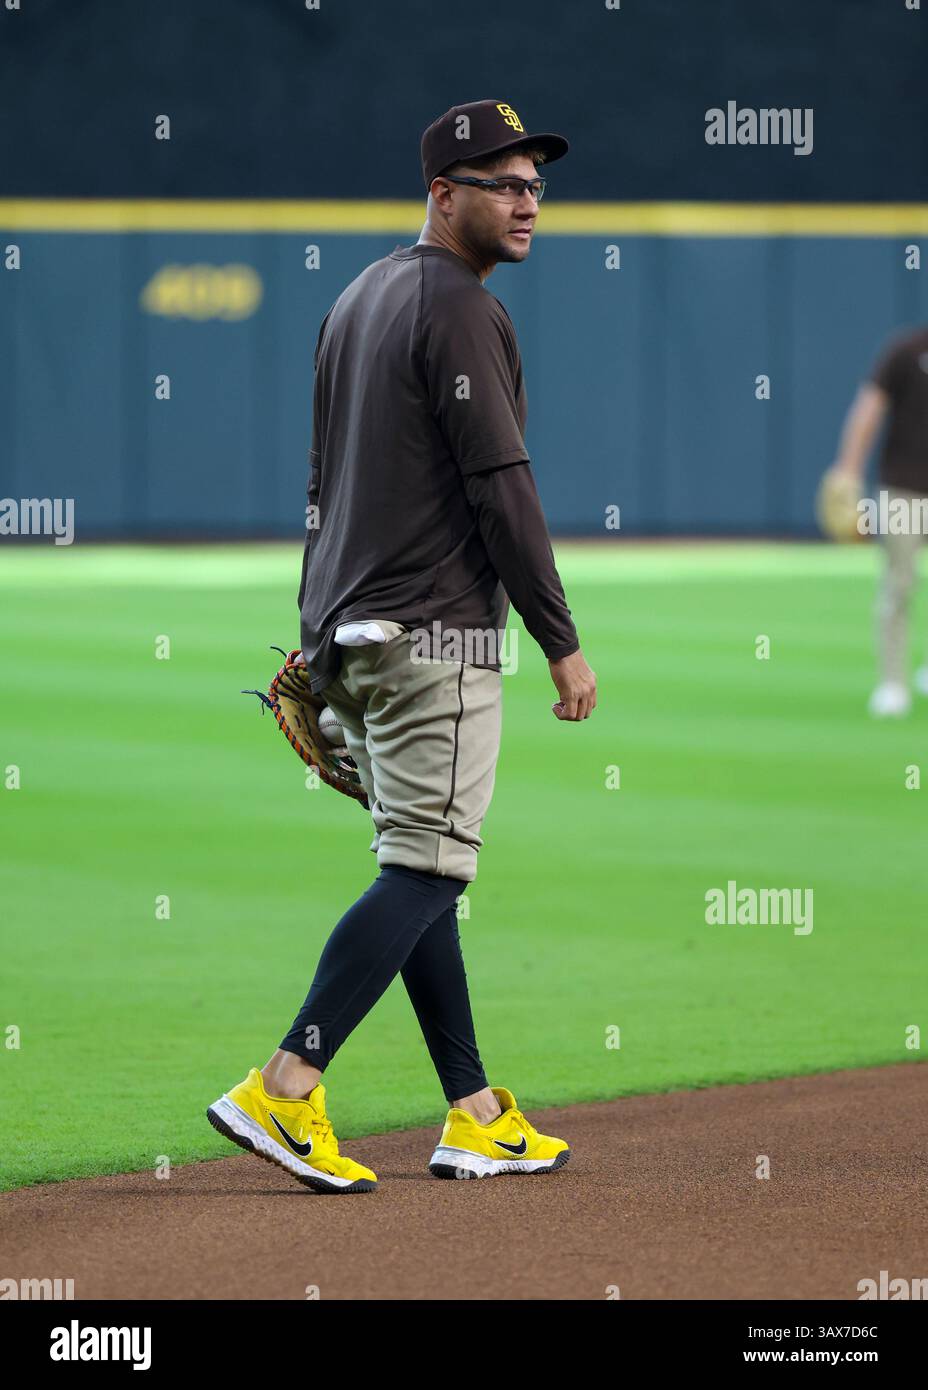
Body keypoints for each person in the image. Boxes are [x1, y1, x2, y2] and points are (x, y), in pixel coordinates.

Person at [208, 101, 596, 1191]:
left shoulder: (357, 296)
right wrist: (558, 639)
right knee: (428, 868)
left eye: (533, 184)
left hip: (355, 631)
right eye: (501, 181)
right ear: (443, 192)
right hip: (435, 634)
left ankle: (473, 1110)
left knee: (416, 867)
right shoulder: (462, 308)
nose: (525, 201)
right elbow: (501, 487)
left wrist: (316, 637)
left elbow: (320, 488)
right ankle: (284, 1085)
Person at [832, 324, 928, 717]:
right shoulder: (906, 350)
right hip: (905, 487)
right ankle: (892, 684)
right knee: (899, 583)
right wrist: (848, 471)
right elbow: (868, 409)